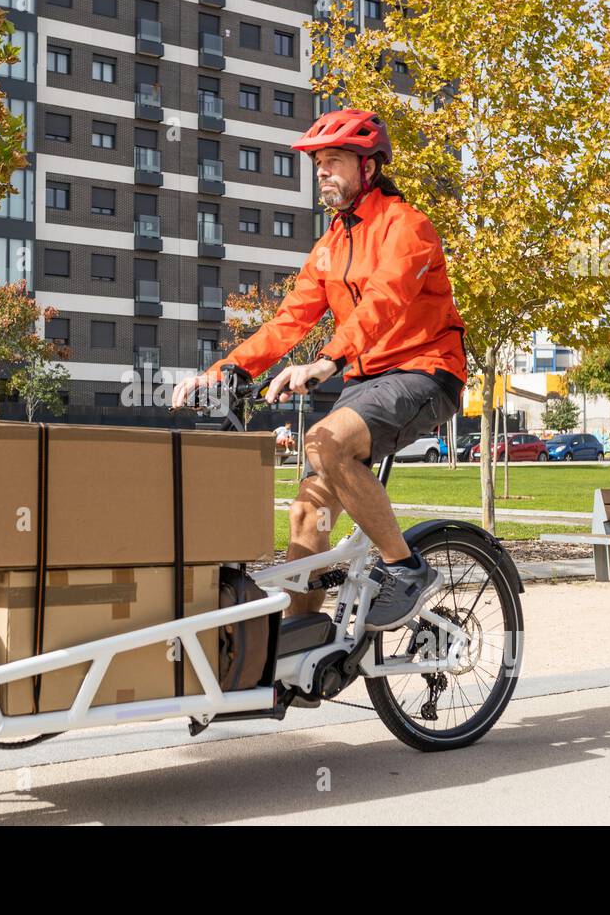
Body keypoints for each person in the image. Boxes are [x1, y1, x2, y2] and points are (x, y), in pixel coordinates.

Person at [172, 108, 466, 631]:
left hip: (424, 371)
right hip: (364, 378)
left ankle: (406, 569)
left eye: (333, 161)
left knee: (324, 443)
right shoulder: (331, 245)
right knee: (307, 511)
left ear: (369, 168)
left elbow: (385, 301)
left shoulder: (408, 227)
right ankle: (299, 642)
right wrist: (225, 371)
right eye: (318, 164)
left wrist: (327, 360)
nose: (322, 172)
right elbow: (290, 320)